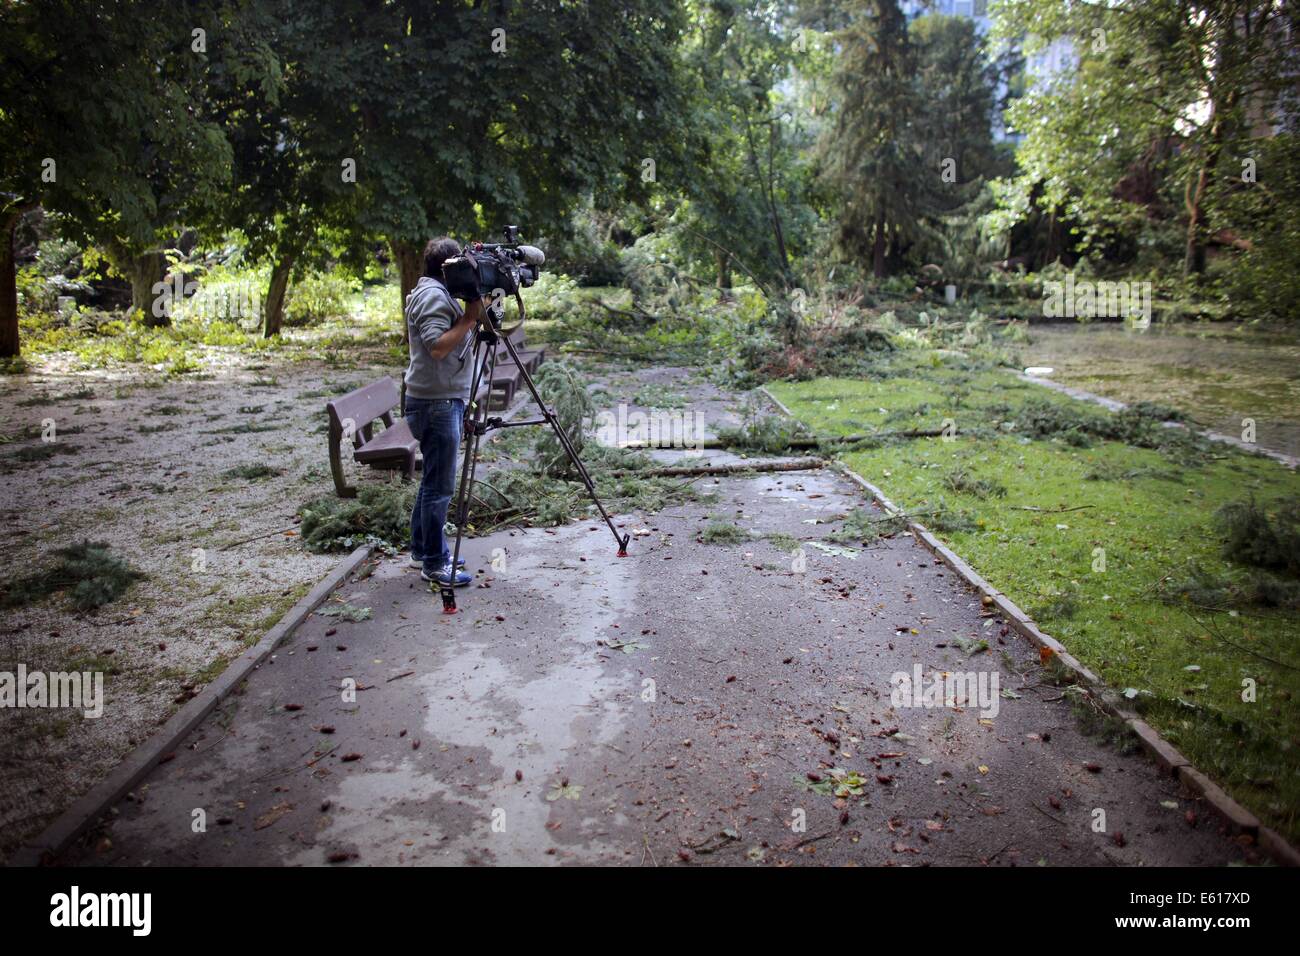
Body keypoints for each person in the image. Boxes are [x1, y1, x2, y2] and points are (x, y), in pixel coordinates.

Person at [403, 236, 485, 587]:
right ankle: (435, 564)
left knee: (432, 483)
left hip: (438, 399)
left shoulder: (435, 292)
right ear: (448, 269)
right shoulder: (434, 297)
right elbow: (437, 347)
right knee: (439, 487)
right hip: (436, 403)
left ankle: (424, 549)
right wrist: (469, 319)